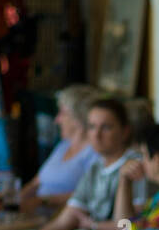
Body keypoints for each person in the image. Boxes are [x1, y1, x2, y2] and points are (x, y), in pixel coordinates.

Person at [9, 98, 139, 230]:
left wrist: (93, 225)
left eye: (106, 127)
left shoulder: (134, 167)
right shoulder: (97, 167)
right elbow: (67, 219)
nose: (97, 134)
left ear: (125, 132)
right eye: (92, 127)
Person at [18, 84, 102, 213]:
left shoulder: (94, 152)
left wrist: (42, 201)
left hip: (57, 219)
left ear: (78, 118)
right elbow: (35, 183)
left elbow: (91, 194)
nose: (57, 120)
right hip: (31, 215)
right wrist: (15, 200)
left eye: (62, 113)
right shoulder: (63, 145)